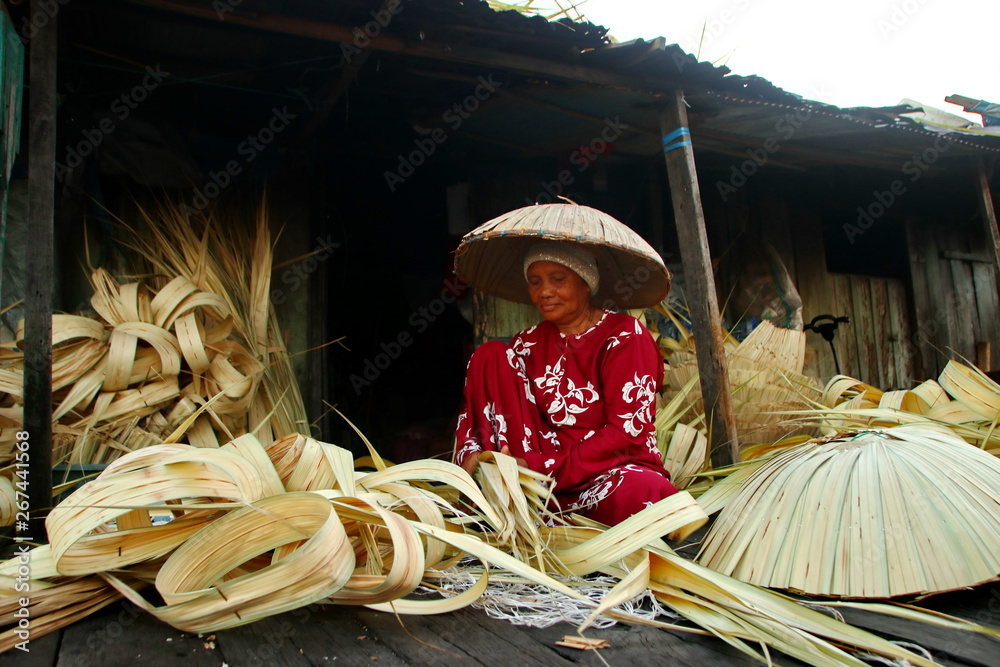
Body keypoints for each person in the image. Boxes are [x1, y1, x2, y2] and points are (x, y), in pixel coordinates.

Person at [453, 241, 678, 526]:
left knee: (640, 492)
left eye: (558, 280)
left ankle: (533, 513)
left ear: (586, 283)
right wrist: (483, 459)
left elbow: (626, 434)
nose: (544, 292)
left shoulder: (624, 336)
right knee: (490, 355)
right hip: (531, 483)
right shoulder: (526, 344)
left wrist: (542, 468)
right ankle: (506, 494)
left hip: (606, 472)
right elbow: (500, 412)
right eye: (535, 282)